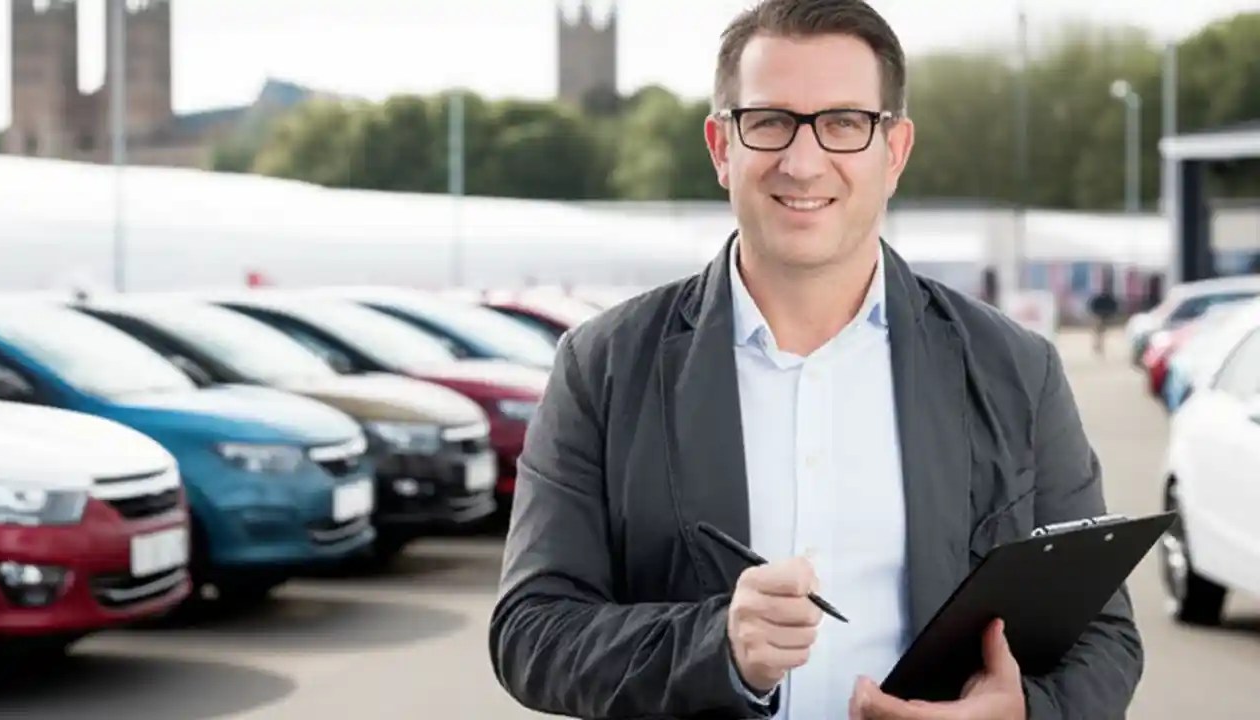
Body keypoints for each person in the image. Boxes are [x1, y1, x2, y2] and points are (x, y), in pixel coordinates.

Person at [488, 1, 1143, 718]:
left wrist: (1022, 714)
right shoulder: (603, 366)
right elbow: (532, 630)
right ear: (720, 147)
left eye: (844, 123)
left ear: (893, 151)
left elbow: (1104, 636)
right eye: (768, 122)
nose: (802, 163)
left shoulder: (1016, 369)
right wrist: (717, 645)